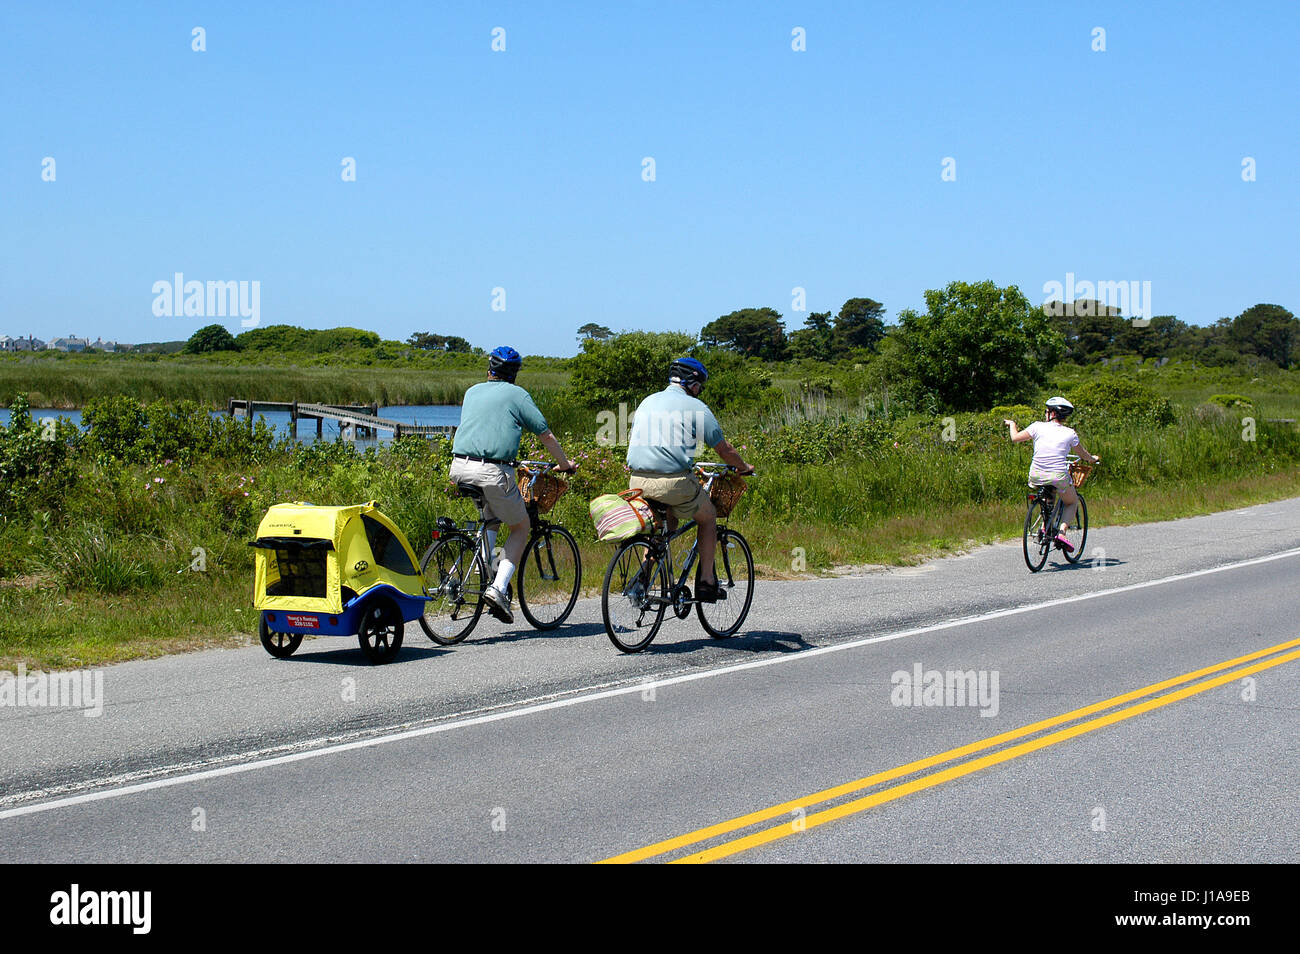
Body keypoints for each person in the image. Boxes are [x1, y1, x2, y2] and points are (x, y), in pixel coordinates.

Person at [450, 346, 576, 623]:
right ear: (514, 375)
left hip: (459, 467)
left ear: (489, 370)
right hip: (492, 471)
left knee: (491, 517)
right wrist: (565, 464)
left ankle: (485, 568)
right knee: (521, 527)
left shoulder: (472, 391)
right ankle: (497, 588)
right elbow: (545, 434)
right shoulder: (517, 395)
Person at [625, 357, 754, 602]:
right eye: (700, 386)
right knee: (708, 517)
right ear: (693, 383)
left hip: (637, 481)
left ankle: (644, 575)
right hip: (673, 482)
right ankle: (706, 582)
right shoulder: (696, 407)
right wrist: (743, 467)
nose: (699, 391)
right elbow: (724, 449)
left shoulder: (648, 401)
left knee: (666, 525)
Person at [1005, 396, 1100, 551]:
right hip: (1058, 475)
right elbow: (1083, 455)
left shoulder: (1037, 427)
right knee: (1072, 501)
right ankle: (1061, 533)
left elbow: (1015, 438)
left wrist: (1012, 424)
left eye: (1047, 411)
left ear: (1052, 414)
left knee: (1049, 493)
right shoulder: (1070, 433)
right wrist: (1092, 459)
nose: (1045, 413)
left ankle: (1045, 526)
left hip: (1035, 475)